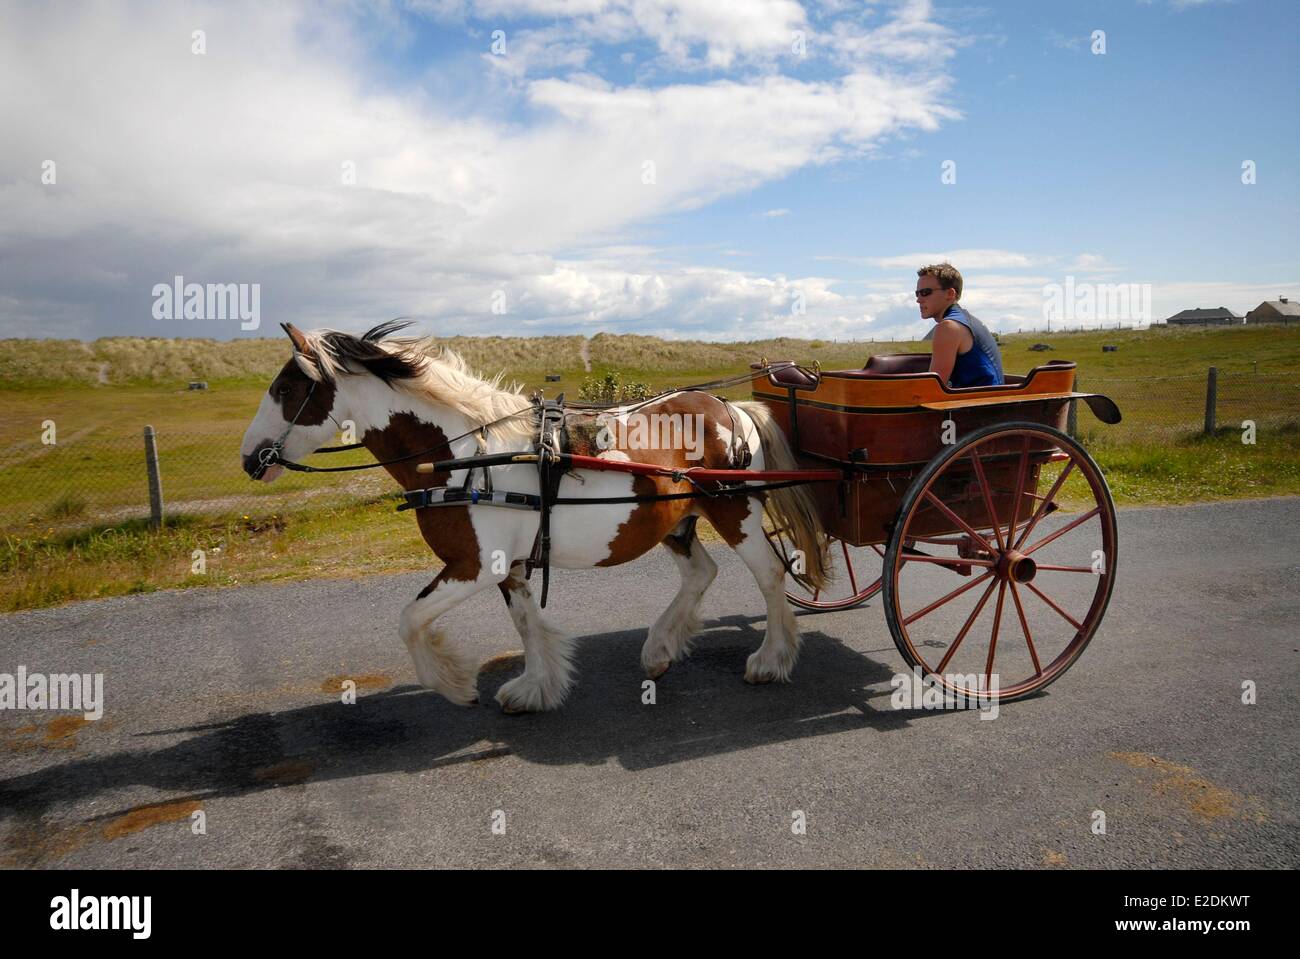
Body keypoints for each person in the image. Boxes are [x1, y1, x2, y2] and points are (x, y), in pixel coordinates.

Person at [915, 262, 1004, 388]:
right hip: (988, 401)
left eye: (925, 292)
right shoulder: (965, 320)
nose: (919, 299)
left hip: (978, 405)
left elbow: (933, 388)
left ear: (950, 294)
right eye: (917, 293)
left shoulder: (948, 327)